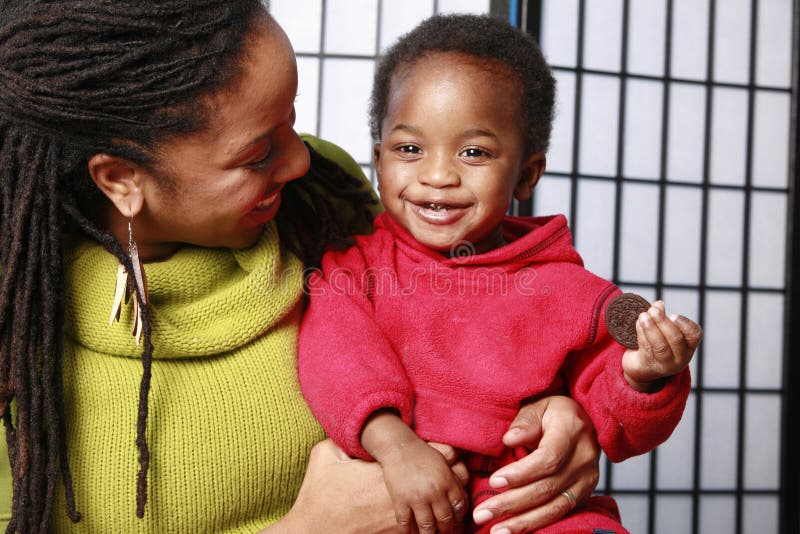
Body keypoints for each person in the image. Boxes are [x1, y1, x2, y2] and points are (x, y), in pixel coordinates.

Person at [0, 2, 605, 532]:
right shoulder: (18, 330)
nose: (298, 161)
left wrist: (564, 414)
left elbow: (460, 321)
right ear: (121, 179)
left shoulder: (321, 197)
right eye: (258, 153)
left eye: (292, 119)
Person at [297, 13, 704, 534]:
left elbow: (618, 422)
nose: (438, 175)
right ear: (378, 160)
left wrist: (645, 374)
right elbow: (338, 359)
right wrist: (394, 446)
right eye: (409, 149)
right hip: (395, 497)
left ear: (527, 174)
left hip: (524, 505)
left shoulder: (564, 288)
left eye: (474, 152)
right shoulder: (354, 272)